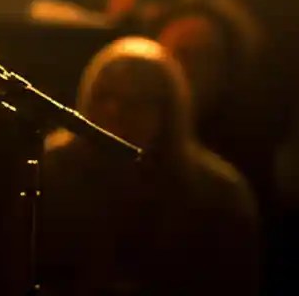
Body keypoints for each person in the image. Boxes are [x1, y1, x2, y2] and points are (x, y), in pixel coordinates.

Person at [39, 36, 261, 296]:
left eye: (136, 101)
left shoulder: (217, 193)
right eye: (104, 96)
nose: (114, 111)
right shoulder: (49, 172)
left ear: (168, 113)